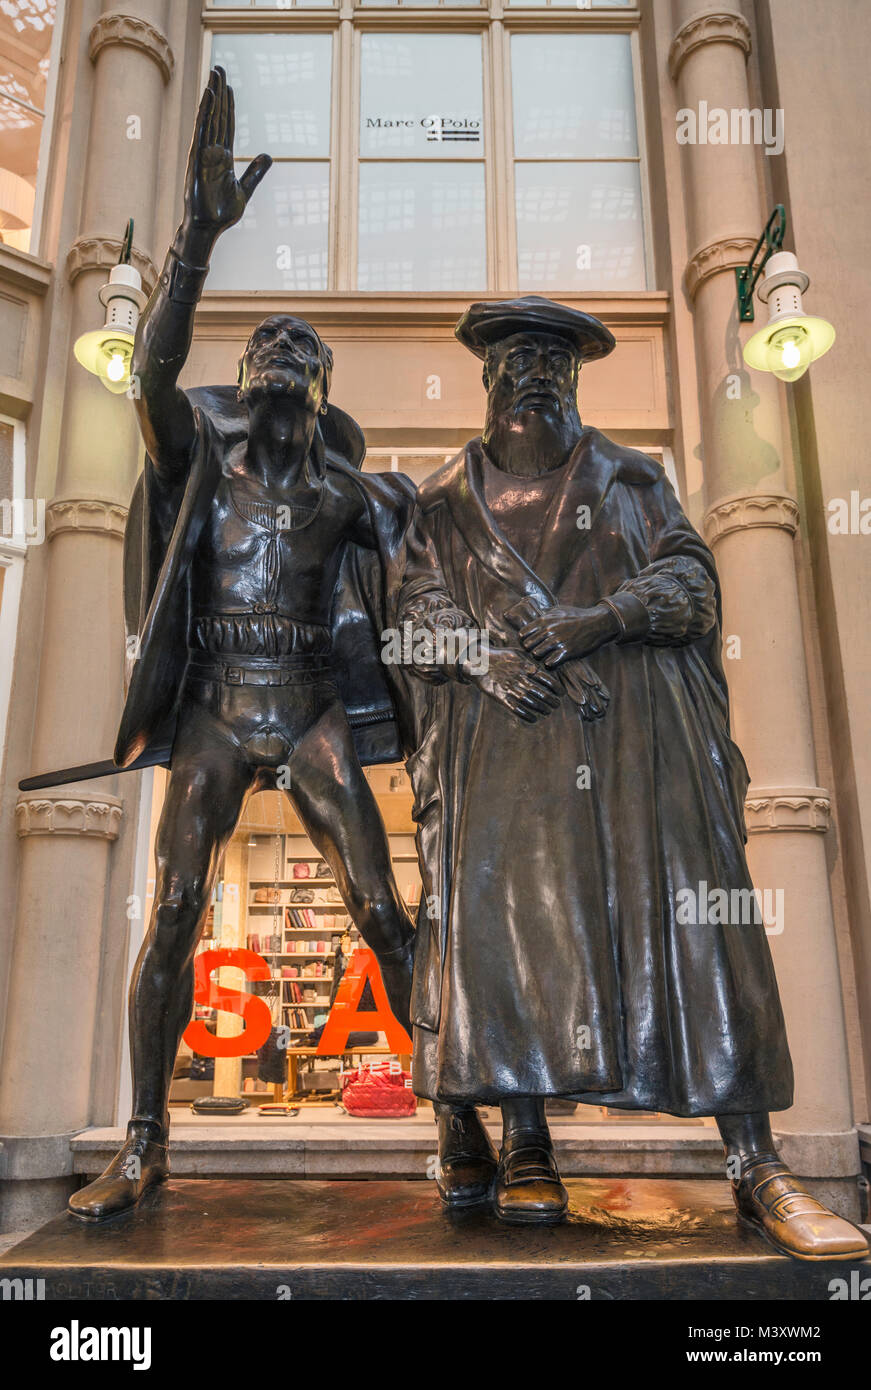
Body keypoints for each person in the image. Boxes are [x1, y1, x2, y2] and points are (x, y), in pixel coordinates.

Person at [395, 294, 869, 1260]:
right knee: (509, 934)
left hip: (637, 751)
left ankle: (756, 1167)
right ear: (485, 376)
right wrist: (484, 659)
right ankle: (526, 1144)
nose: (535, 371)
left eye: (553, 360)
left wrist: (595, 621)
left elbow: (692, 586)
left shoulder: (632, 479)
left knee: (699, 940)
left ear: (574, 377)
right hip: (506, 751)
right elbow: (410, 616)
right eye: (516, 357)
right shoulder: (441, 500)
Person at [69, 68, 415, 1222]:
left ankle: (459, 1115)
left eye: (291, 352)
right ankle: (147, 1137)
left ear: (314, 392)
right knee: (175, 904)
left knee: (379, 906)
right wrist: (194, 242)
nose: (271, 357)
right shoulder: (197, 462)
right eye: (260, 348)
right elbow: (155, 374)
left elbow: (428, 573)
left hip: (309, 701)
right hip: (217, 699)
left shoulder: (347, 495)